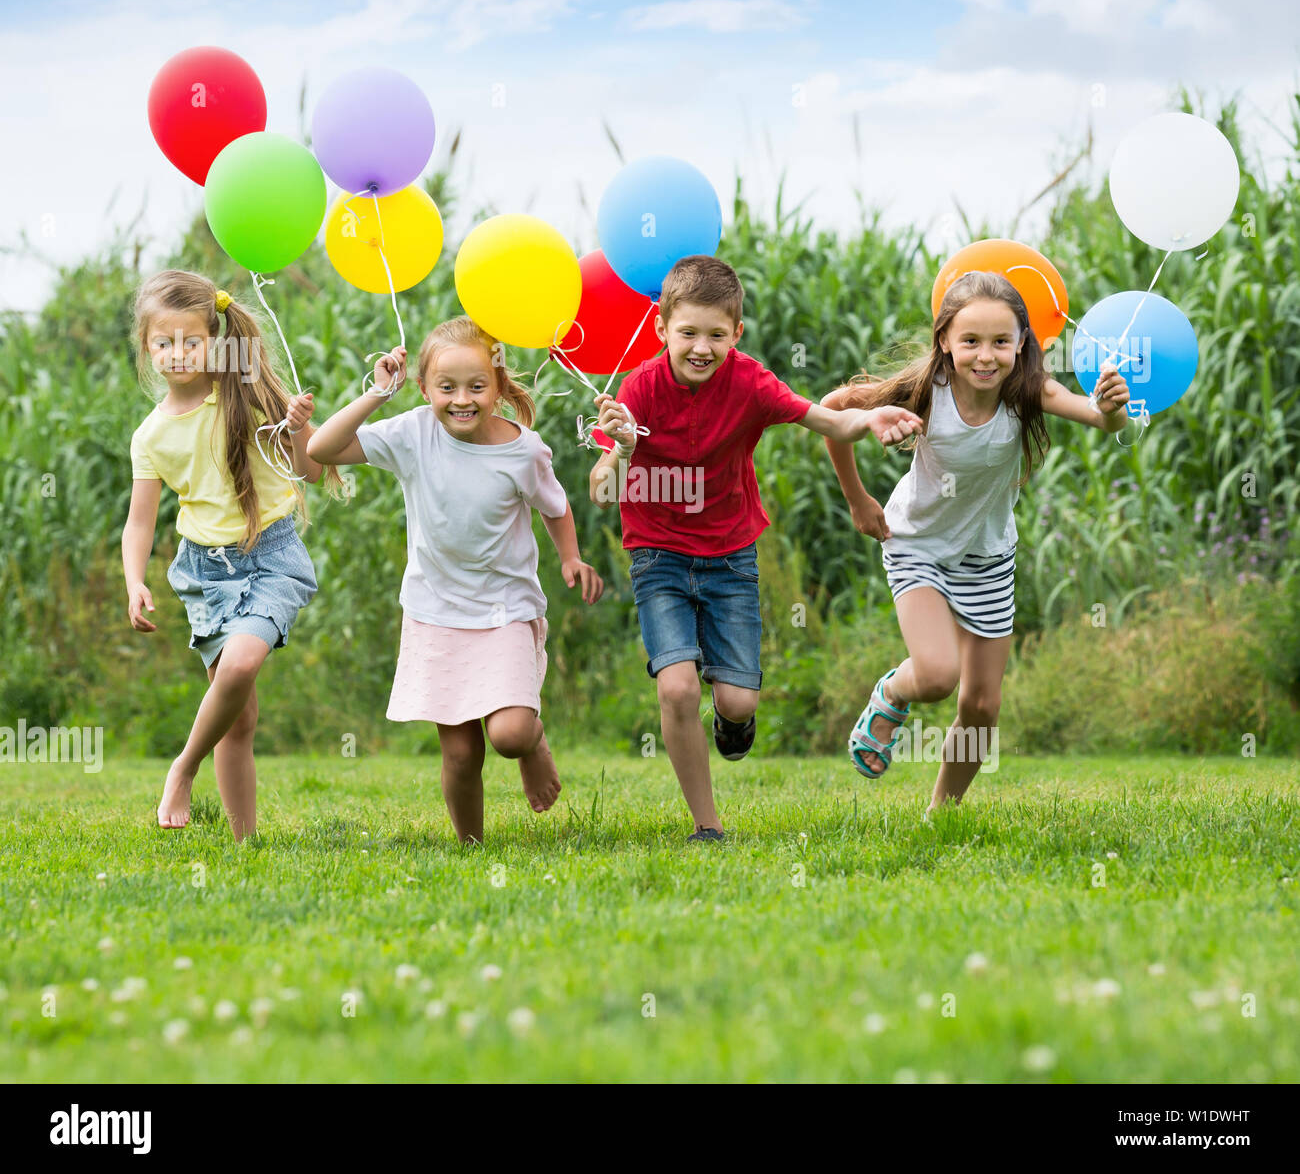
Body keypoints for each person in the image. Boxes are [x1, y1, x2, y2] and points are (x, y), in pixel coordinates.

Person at [590, 255, 922, 841]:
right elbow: (600, 491)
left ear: (735, 335)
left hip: (729, 557)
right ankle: (706, 825)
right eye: (687, 332)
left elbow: (825, 421)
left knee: (738, 702)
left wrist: (870, 419)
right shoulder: (638, 389)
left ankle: (731, 721)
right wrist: (618, 448)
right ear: (661, 327)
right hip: (658, 558)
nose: (701, 347)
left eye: (716, 335)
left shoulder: (750, 382)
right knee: (677, 686)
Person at [822, 269, 1131, 809]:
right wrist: (857, 499)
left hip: (986, 558)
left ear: (1021, 344)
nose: (985, 356)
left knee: (983, 704)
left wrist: (1110, 407)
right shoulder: (924, 390)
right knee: (938, 674)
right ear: (945, 340)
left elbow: (1099, 420)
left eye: (1000, 342)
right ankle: (892, 692)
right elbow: (834, 406)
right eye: (970, 341)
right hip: (915, 544)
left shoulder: (1027, 391)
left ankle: (943, 813)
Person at [308, 317, 603, 844]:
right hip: (435, 611)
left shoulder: (524, 450)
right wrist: (378, 393)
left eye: (476, 386)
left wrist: (570, 559)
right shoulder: (413, 432)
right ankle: (471, 847)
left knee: (509, 734)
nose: (461, 400)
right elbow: (322, 449)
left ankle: (533, 744)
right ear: (424, 388)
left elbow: (555, 507)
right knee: (461, 752)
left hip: (504, 609)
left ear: (499, 386)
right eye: (446, 388)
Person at [123, 270, 334, 838]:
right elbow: (140, 520)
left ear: (214, 340)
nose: (177, 353)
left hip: (272, 556)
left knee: (240, 664)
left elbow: (312, 471)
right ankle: (246, 844)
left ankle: (182, 767)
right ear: (148, 347)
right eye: (164, 343)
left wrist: (298, 429)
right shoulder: (150, 436)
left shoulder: (250, 393)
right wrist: (134, 580)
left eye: (191, 340)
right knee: (238, 720)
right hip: (205, 572)